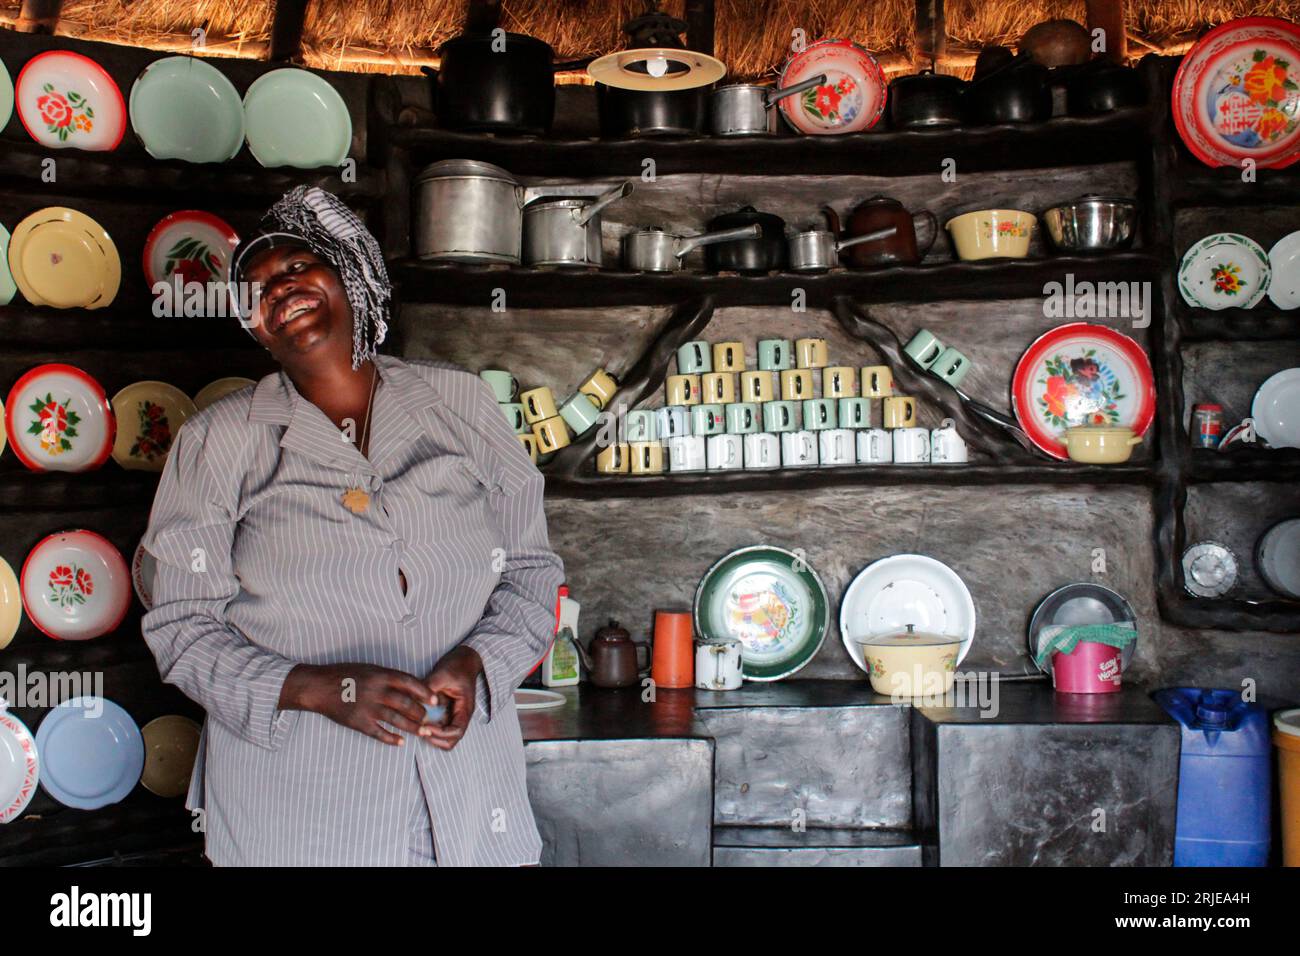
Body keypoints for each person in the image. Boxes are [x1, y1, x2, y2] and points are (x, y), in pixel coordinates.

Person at [141, 186, 564, 866]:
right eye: (257, 289)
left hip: (465, 800)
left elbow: (530, 570)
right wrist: (319, 689)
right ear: (253, 327)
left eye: (295, 268)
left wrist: (478, 663)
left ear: (351, 274)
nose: (276, 290)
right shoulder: (217, 443)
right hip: (302, 814)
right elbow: (182, 631)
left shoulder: (460, 404)